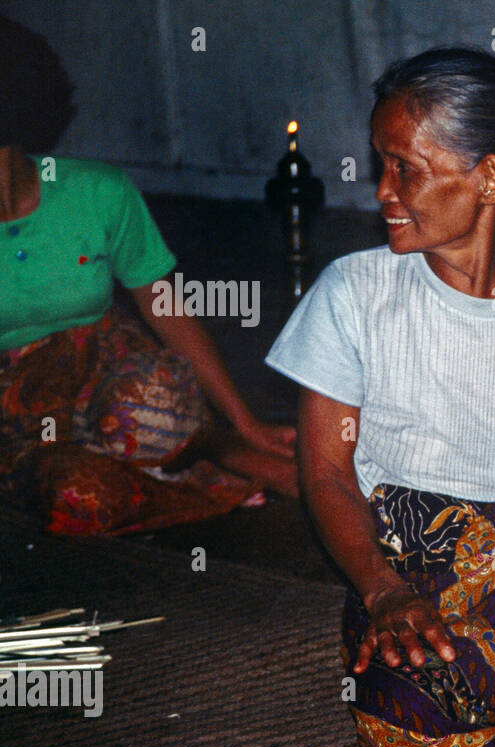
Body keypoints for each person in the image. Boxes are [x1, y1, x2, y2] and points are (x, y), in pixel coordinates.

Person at [267, 47, 495, 747]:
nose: (382, 192)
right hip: (411, 574)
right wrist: (384, 592)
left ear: (489, 176)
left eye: (407, 169)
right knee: (411, 718)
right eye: (380, 165)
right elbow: (328, 475)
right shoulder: (355, 293)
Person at [0, 17, 297, 534]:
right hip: (19, 417)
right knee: (83, 500)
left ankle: (216, 449)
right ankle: (187, 474)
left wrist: (244, 424)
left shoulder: (96, 192)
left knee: (152, 394)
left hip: (110, 384)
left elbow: (167, 310)